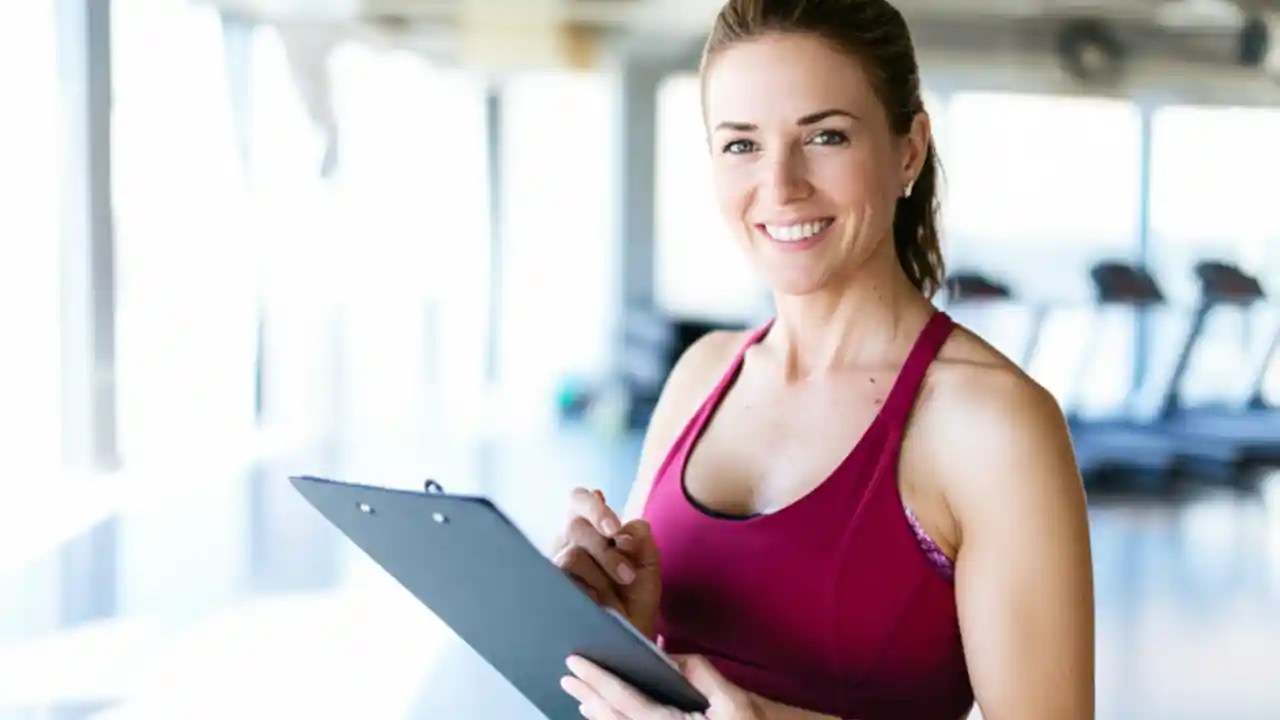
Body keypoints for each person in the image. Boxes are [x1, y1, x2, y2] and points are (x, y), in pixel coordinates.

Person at [552, 0, 1095, 717]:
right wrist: (624, 624)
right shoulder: (704, 373)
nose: (780, 186)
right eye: (741, 144)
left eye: (826, 136)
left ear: (909, 149)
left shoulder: (994, 422)